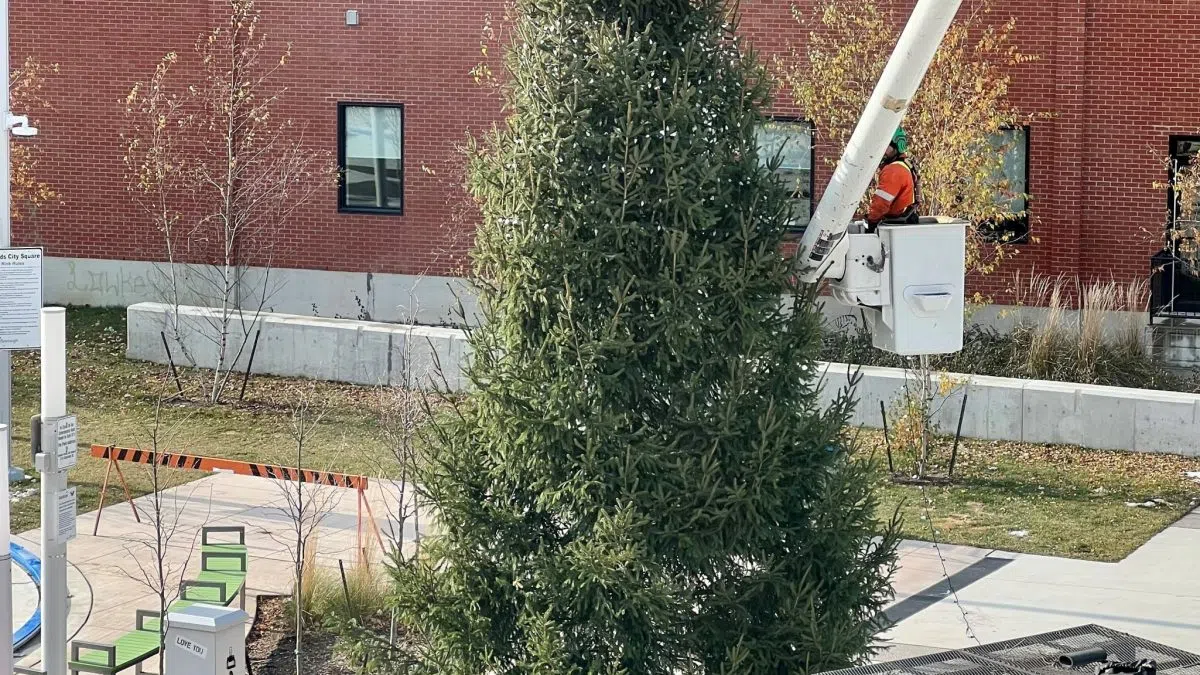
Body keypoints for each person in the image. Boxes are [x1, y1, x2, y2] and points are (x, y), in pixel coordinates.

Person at [864, 127, 922, 232]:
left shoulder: (893, 170)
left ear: (896, 146)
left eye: (885, 145)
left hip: (896, 226)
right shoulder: (905, 164)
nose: (882, 150)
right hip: (904, 223)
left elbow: (881, 202)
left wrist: (871, 222)